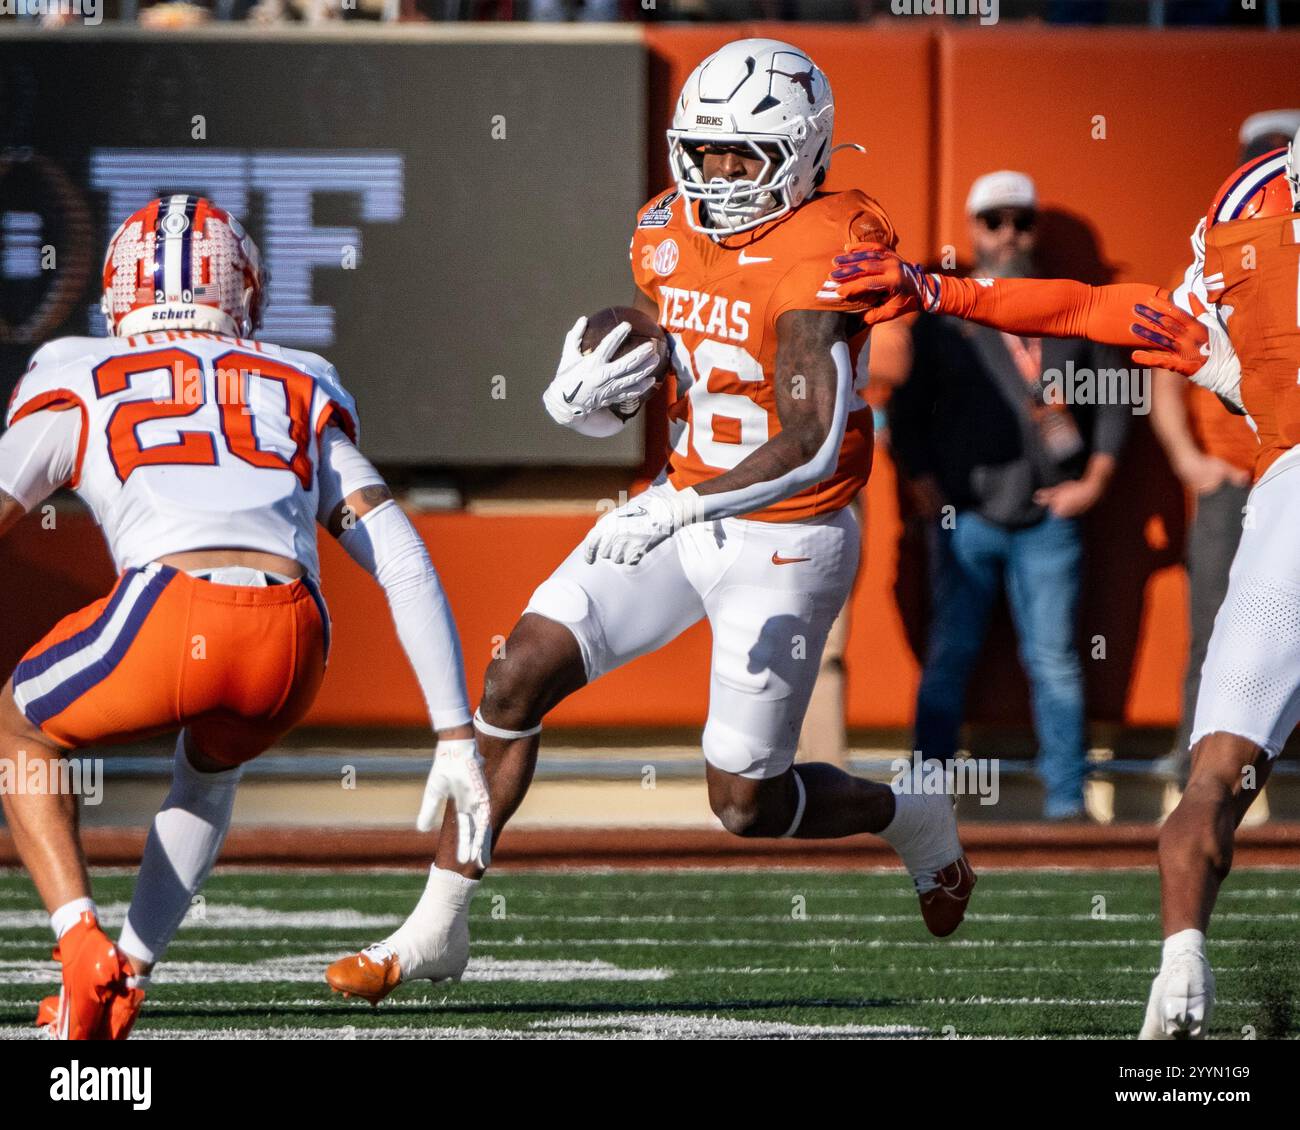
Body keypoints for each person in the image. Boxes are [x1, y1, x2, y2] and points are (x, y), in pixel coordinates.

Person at [326, 37, 980, 1007]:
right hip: (684, 500)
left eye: (738, 157)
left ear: (801, 153)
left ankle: (910, 816)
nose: (714, 175)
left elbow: (804, 435)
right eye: (702, 151)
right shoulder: (665, 224)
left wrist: (677, 500)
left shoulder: (824, 246)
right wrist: (600, 384)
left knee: (743, 804)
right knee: (515, 673)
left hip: (786, 532)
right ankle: (438, 923)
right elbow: (671, 328)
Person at [826, 135, 1298, 1040]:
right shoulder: (1252, 205)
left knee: (1209, 780)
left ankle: (1181, 960)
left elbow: (1089, 311)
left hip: (1288, 499)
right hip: (1016, 507)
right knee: (991, 663)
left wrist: (935, 287)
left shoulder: (1254, 204)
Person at [0, 195, 489, 1039]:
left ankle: (80, 944)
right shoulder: (295, 379)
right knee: (209, 772)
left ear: (119, 295)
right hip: (292, 638)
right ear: (246, 292)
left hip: (166, 607)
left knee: (21, 731)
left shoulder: (74, 370)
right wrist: (453, 733)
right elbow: (402, 556)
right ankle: (127, 980)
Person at [889, 171, 1132, 821]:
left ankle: (1067, 806)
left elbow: (1114, 399)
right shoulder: (946, 314)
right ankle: (922, 800)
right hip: (965, 517)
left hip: (1050, 514)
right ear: (972, 229)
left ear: (1036, 228)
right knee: (949, 658)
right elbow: (906, 412)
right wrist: (922, 489)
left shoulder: (1075, 304)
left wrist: (1096, 481)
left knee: (1053, 661)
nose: (1008, 234)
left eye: (1020, 220)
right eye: (993, 220)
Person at [1149, 112, 1298, 787]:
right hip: (1236, 474)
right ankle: (1200, 774)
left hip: (1288, 466)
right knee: (1218, 629)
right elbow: (1160, 355)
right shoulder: (1224, 244)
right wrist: (1188, 461)